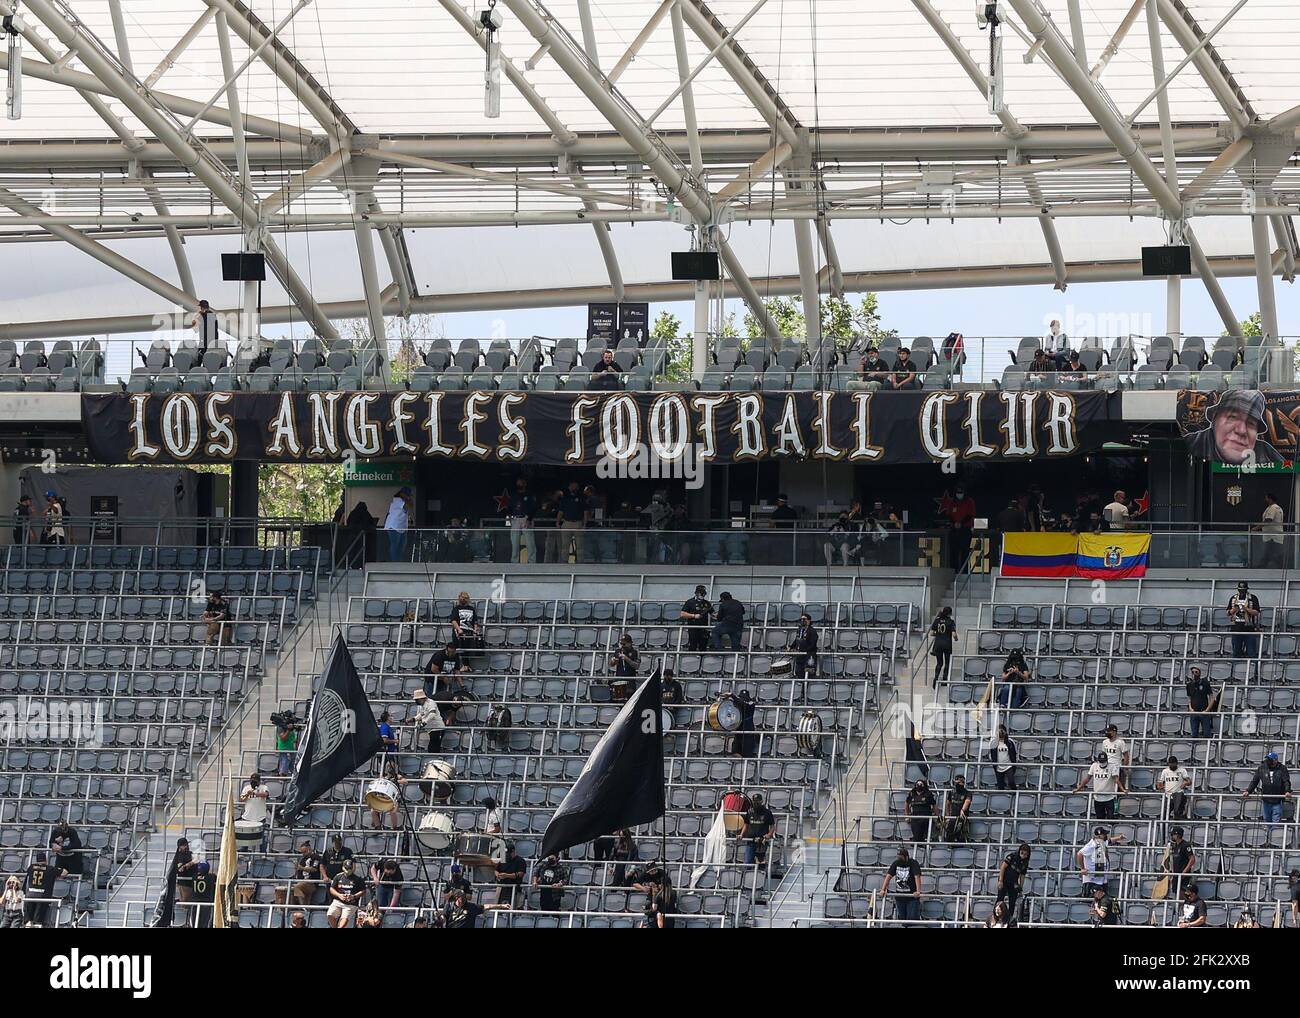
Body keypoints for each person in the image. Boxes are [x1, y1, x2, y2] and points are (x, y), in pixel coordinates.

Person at [1185, 389, 1284, 465]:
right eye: (1232, 417)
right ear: (1214, 419)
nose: (1241, 430)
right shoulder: (1189, 445)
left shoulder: (1268, 454)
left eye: (1251, 423)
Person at [1243, 752, 1292, 823]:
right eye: (1267, 759)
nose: (1268, 761)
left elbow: (1286, 781)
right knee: (1267, 820)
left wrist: (1287, 791)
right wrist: (1248, 791)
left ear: (1275, 760)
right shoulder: (1262, 768)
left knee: (1276, 820)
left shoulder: (1282, 768)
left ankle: (1274, 833)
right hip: (1266, 798)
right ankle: (1269, 833)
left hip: (1277, 799)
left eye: (1270, 760)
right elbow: (1254, 781)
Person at [1075, 751, 1123, 820]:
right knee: (1100, 819)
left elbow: (1116, 779)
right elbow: (1087, 779)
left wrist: (1123, 789)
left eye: (1103, 761)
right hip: (1098, 798)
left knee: (1110, 818)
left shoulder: (1112, 766)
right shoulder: (1094, 766)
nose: (1102, 763)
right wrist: (1078, 788)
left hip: (1109, 798)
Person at [1077, 827, 1124, 896]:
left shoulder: (1102, 842)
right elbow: (1079, 854)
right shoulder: (1092, 844)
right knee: (1090, 901)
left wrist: (1119, 838)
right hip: (1092, 880)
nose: (1106, 835)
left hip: (1101, 879)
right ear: (1099, 836)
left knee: (1101, 902)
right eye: (1104, 834)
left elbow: (1110, 840)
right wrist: (1083, 868)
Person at [881, 847, 923, 922]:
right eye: (898, 857)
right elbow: (888, 876)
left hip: (912, 898)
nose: (899, 859)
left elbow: (917, 876)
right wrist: (883, 889)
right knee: (902, 919)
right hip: (900, 897)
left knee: (911, 919)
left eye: (901, 857)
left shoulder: (913, 863)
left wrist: (918, 891)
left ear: (906, 857)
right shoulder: (896, 863)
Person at [943, 486, 976, 571]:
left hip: (965, 529)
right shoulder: (952, 502)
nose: (959, 494)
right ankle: (953, 570)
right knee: (953, 552)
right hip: (954, 530)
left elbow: (970, 514)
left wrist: (961, 523)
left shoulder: (969, 501)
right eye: (958, 492)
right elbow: (948, 514)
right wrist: (955, 523)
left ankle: (963, 571)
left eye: (961, 493)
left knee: (965, 552)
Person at [995, 842, 1031, 922]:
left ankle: (1008, 921)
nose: (1023, 855)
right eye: (1022, 853)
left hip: (1014, 883)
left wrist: (1020, 888)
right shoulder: (1012, 856)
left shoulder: (1025, 863)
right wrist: (1000, 880)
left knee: (1012, 902)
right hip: (1004, 880)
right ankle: (995, 918)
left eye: (1025, 854)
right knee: (1000, 900)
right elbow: (1003, 867)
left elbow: (1022, 875)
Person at [327, 858, 366, 928]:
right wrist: (339, 895)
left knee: (344, 920)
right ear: (343, 868)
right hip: (338, 901)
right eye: (347, 868)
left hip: (351, 903)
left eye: (350, 868)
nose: (348, 870)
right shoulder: (338, 877)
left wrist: (354, 896)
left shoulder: (358, 879)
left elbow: (363, 891)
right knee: (330, 914)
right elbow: (331, 888)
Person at [1227, 581, 1261, 659]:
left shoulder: (1252, 598)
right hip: (1236, 628)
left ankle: (1253, 670)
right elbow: (1228, 612)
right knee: (1236, 653)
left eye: (1243, 590)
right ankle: (1236, 669)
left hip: (1249, 628)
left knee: (1251, 652)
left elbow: (1256, 612)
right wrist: (1235, 609)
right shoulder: (1233, 598)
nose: (1242, 592)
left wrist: (1246, 609)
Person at [739, 793, 775, 865]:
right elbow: (746, 824)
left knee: (761, 863)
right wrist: (741, 834)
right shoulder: (749, 812)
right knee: (748, 862)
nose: (756, 803)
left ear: (761, 801)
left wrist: (769, 834)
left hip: (762, 841)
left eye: (757, 801)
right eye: (754, 801)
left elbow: (772, 826)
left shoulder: (767, 812)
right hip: (751, 841)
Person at [443, 888, 509, 928]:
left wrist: (501, 906)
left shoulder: (471, 907)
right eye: (461, 898)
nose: (463, 899)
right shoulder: (449, 906)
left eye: (464, 897)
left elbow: (486, 906)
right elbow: (443, 918)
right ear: (456, 898)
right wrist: (439, 916)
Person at [507, 477, 537, 564]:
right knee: (514, 542)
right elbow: (509, 507)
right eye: (518, 483)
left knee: (530, 542)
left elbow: (534, 508)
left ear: (525, 484)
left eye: (521, 483)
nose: (519, 485)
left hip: (526, 518)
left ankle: (532, 562)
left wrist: (529, 519)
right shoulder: (514, 495)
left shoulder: (530, 494)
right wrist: (509, 517)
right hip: (516, 519)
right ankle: (514, 562)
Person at [23, 851, 57, 927]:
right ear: (46, 860)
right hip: (42, 897)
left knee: (28, 921)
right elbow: (64, 873)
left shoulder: (31, 867)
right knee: (38, 922)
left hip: (30, 895)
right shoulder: (50, 869)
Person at [557, 481, 587, 563]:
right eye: (572, 486)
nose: (573, 488)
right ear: (569, 487)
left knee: (580, 545)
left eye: (575, 486)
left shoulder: (581, 497)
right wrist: (557, 522)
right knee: (565, 545)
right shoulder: (565, 498)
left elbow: (585, 512)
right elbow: (560, 511)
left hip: (578, 523)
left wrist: (584, 524)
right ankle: (564, 562)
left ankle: (580, 562)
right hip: (566, 523)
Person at [1163, 827, 1196, 901]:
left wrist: (1184, 871)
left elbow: (1192, 859)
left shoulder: (1185, 845)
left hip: (1183, 877)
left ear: (1177, 835)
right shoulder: (1175, 846)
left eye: (1173, 835)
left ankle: (1183, 911)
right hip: (1176, 875)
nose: (1172, 836)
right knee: (1176, 894)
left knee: (1182, 894)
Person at [240, 771, 270, 848]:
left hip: (260, 817)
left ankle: (262, 855)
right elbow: (242, 799)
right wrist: (247, 794)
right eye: (252, 780)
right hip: (248, 817)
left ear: (259, 781)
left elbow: (266, 794)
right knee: (245, 837)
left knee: (262, 837)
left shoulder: (263, 787)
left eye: (255, 780)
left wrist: (255, 794)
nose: (253, 782)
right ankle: (244, 853)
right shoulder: (246, 788)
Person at [928, 606, 957, 687]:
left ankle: (936, 677)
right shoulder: (951, 621)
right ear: (950, 613)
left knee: (939, 663)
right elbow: (954, 634)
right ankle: (944, 679)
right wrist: (956, 639)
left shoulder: (937, 620)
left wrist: (938, 634)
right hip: (947, 644)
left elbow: (931, 633)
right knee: (947, 662)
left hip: (938, 644)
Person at [383, 486, 413, 562]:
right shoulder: (397, 500)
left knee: (401, 547)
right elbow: (408, 506)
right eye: (407, 495)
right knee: (394, 545)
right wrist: (408, 500)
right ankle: (394, 562)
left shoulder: (404, 500)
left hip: (402, 528)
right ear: (402, 494)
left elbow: (410, 506)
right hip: (394, 527)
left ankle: (399, 561)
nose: (408, 496)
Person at [680, 585, 713, 651]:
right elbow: (683, 614)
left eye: (704, 594)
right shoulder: (690, 602)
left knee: (703, 645)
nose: (702, 595)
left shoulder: (707, 603)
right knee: (693, 645)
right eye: (701, 593)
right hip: (693, 627)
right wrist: (694, 616)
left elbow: (713, 613)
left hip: (704, 628)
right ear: (697, 593)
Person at [1185, 666, 1215, 739]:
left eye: (1196, 672)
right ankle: (1194, 748)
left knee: (1207, 734)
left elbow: (1211, 697)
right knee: (1194, 734)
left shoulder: (1205, 683)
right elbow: (1189, 698)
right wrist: (1190, 708)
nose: (1194, 674)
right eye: (1192, 672)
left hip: (1204, 712)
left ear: (1199, 673)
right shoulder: (1189, 685)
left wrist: (1207, 710)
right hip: (1194, 712)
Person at [1159, 756, 1192, 821]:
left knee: (1177, 814)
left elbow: (1189, 781)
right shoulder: (1165, 771)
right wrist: (1160, 786)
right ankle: (1163, 829)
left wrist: (1185, 783)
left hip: (1178, 794)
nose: (1172, 766)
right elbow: (1160, 782)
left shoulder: (1182, 770)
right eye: (1170, 764)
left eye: (1173, 764)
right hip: (1168, 796)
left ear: (1176, 763)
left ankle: (1177, 827)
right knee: (1164, 815)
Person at [292, 840, 324, 907]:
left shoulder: (316, 857)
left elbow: (314, 869)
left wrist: (302, 868)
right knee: (306, 898)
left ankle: (302, 906)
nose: (303, 854)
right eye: (302, 852)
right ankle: (305, 909)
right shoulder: (302, 859)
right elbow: (298, 871)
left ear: (309, 850)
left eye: (304, 852)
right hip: (303, 881)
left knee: (297, 887)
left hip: (311, 882)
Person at [789, 612, 819, 682]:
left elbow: (813, 644)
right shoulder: (799, 630)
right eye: (801, 619)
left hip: (809, 657)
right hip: (800, 657)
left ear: (809, 620)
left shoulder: (812, 631)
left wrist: (805, 651)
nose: (802, 621)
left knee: (809, 675)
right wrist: (791, 647)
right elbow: (796, 640)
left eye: (804, 619)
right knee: (799, 674)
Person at [905, 778, 936, 843]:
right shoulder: (912, 794)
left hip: (925, 817)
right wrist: (907, 815)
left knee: (921, 834)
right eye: (917, 784)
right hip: (915, 817)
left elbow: (934, 805)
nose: (919, 785)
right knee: (916, 833)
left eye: (921, 784)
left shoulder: (928, 794)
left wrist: (937, 816)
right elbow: (907, 803)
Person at [942, 775, 972, 843]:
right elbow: (948, 804)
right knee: (949, 836)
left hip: (962, 818)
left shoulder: (967, 793)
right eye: (957, 782)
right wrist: (947, 815)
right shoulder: (952, 792)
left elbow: (967, 802)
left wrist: (962, 810)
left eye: (960, 782)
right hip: (952, 818)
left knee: (960, 837)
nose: (959, 784)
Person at [1260, 492, 1286, 568]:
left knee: (1271, 553)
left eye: (1266, 498)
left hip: (1272, 537)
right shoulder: (1278, 508)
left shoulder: (1273, 508)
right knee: (1272, 553)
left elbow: (1268, 520)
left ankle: (1265, 566)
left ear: (1270, 499)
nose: (1265, 499)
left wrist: (1257, 527)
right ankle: (1268, 565)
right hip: (1275, 536)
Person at [987, 724, 1018, 790]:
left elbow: (1014, 753)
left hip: (1008, 765)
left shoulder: (1010, 742)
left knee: (1011, 782)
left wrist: (1014, 763)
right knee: (1000, 785)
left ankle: (1015, 795)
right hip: (998, 766)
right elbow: (991, 754)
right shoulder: (993, 743)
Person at [172, 836, 197, 906]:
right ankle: (173, 902)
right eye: (184, 845)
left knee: (188, 900)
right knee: (185, 901)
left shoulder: (189, 853)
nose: (186, 846)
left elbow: (196, 859)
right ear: (180, 847)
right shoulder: (179, 856)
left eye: (187, 844)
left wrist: (191, 863)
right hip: (184, 882)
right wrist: (187, 865)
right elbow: (180, 869)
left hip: (190, 881)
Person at [190, 862, 215, 929]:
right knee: (205, 923)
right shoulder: (211, 877)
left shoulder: (194, 876)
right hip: (206, 903)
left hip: (195, 902)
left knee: (195, 922)